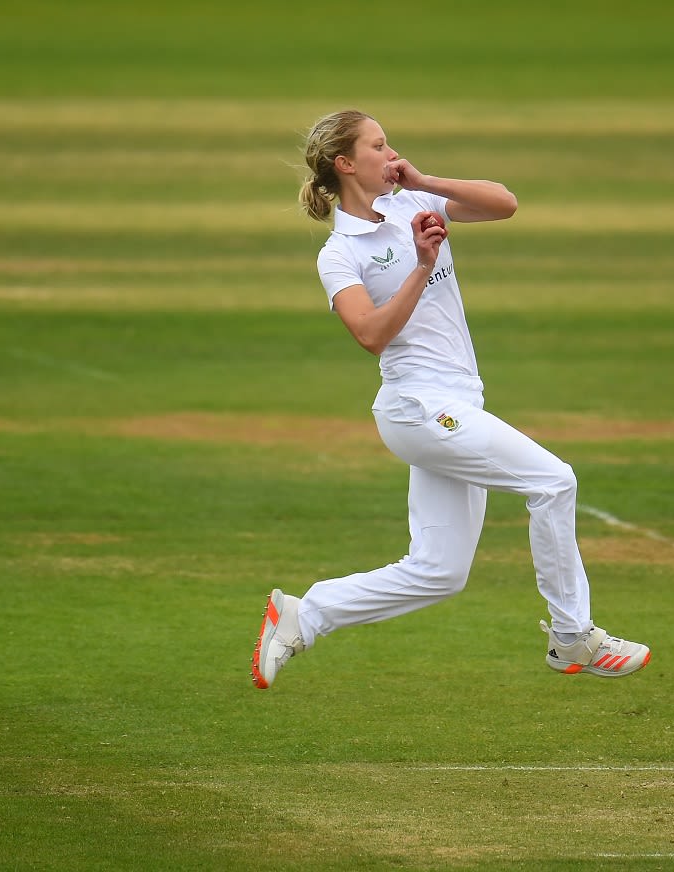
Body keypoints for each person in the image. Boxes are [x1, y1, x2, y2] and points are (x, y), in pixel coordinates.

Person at [251, 109, 650, 689]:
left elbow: (504, 203)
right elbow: (370, 334)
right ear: (346, 163)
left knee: (439, 572)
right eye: (379, 145)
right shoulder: (340, 252)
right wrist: (422, 266)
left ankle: (305, 615)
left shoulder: (413, 203)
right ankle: (572, 637)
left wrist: (424, 182)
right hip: (417, 406)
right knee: (553, 481)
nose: (391, 153)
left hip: (456, 404)